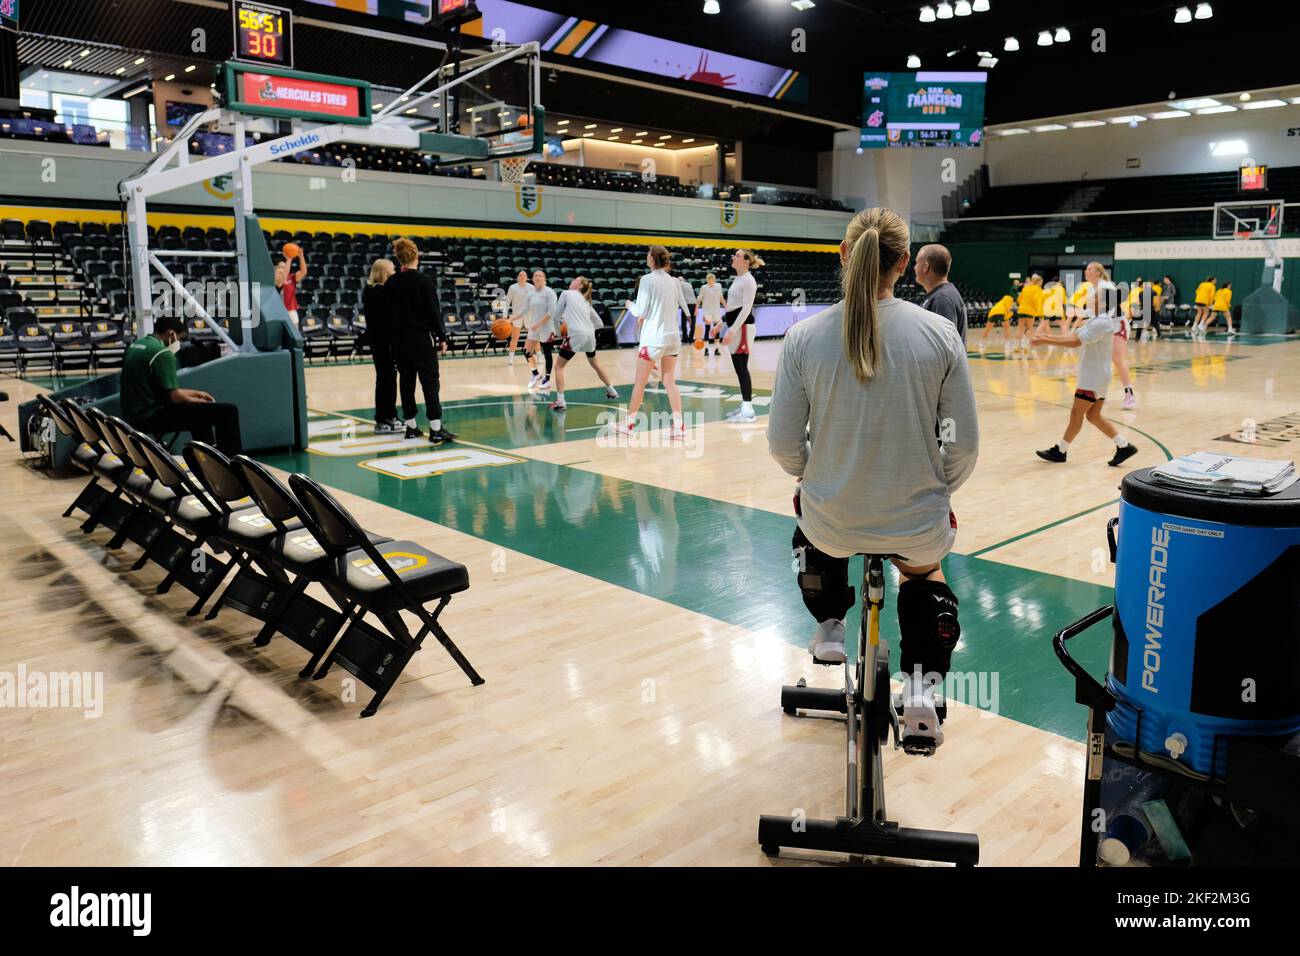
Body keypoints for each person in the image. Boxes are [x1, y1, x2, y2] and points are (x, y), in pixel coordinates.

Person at [768, 207, 978, 755]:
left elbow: (784, 445)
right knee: (925, 573)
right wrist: (938, 485)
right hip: (914, 522)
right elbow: (964, 444)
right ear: (905, 263)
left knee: (811, 529)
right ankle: (922, 693)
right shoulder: (938, 334)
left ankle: (831, 625)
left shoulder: (802, 336)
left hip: (833, 522)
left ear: (843, 253)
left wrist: (811, 473)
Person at [1032, 261, 1139, 467]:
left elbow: (1074, 342)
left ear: (1105, 302)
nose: (1092, 298)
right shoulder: (1096, 319)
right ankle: (1123, 446)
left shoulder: (1103, 322)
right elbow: (1074, 335)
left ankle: (1061, 450)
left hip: (1094, 376)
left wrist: (1045, 339)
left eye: (1096, 297)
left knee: (1077, 412)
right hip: (1096, 374)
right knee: (1093, 415)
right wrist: (1047, 335)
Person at [120, 314, 243, 454]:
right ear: (170, 333)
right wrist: (198, 401)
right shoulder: (162, 353)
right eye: (179, 338)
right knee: (228, 411)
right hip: (152, 416)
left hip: (134, 415)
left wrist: (196, 394)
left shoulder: (138, 345)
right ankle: (232, 459)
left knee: (200, 415)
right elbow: (174, 397)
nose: (178, 341)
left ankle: (208, 458)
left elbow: (165, 389)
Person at [386, 237, 455, 444]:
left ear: (398, 259)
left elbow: (387, 316)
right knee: (430, 381)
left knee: (406, 381)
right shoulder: (423, 281)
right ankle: (435, 429)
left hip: (398, 340)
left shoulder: (391, 282)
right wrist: (441, 336)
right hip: (419, 338)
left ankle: (411, 427)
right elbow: (433, 312)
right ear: (417, 255)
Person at [614, 245, 685, 440]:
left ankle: (628, 423)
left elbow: (640, 310)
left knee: (640, 381)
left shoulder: (646, 279)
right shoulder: (673, 281)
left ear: (652, 258)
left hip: (654, 339)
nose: (646, 257)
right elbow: (665, 307)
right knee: (670, 381)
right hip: (672, 337)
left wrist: (630, 305)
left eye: (648, 254)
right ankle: (679, 427)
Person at [549, 276, 619, 412]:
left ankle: (561, 401)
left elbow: (556, 317)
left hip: (576, 334)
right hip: (590, 335)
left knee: (558, 367)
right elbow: (600, 324)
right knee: (596, 364)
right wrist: (586, 329)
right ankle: (612, 391)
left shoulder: (566, 293)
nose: (572, 281)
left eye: (575, 280)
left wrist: (558, 334)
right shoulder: (586, 302)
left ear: (580, 286)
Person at [722, 248, 762, 423]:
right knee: (738, 369)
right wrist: (720, 325)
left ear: (746, 261)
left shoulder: (749, 281)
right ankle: (745, 405)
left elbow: (746, 309)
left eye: (737, 256)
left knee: (742, 367)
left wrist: (731, 331)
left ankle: (748, 411)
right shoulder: (738, 279)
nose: (733, 257)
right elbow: (732, 308)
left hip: (743, 329)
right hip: (735, 327)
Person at [363, 258, 401, 434]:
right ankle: (382, 418)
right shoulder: (375, 292)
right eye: (392, 270)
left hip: (384, 340)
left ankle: (390, 415)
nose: (395, 273)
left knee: (389, 378)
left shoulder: (376, 291)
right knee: (385, 379)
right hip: (382, 341)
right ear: (385, 273)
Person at [914, 243, 968, 341]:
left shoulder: (942, 298)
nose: (914, 267)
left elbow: (945, 344)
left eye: (917, 263)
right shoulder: (942, 294)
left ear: (925, 267)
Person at [524, 270, 558, 391]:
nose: (538, 277)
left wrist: (538, 323)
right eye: (536, 275)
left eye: (540, 275)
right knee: (526, 351)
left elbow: (551, 312)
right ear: (533, 279)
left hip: (547, 327)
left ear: (545, 279)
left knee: (547, 354)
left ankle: (547, 380)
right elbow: (525, 309)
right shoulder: (530, 293)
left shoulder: (550, 292)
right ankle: (535, 373)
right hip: (534, 327)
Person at [504, 270, 531, 367]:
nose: (522, 277)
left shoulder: (531, 287)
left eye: (524, 275)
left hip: (529, 315)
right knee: (515, 337)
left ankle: (540, 356)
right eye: (521, 275)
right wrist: (504, 315)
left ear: (527, 277)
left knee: (533, 337)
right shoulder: (512, 287)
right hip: (516, 315)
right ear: (517, 277)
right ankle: (511, 358)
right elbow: (507, 303)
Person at [274, 249, 307, 327]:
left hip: (291, 310)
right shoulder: (275, 281)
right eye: (280, 270)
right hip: (279, 311)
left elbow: (303, 272)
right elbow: (283, 276)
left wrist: (301, 257)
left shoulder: (291, 278)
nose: (283, 271)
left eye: (284, 267)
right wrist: (289, 259)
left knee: (295, 332)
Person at [695, 272, 725, 355]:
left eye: (711, 280)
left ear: (714, 280)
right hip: (707, 311)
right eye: (709, 281)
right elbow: (699, 299)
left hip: (716, 311)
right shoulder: (704, 287)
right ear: (707, 280)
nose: (710, 282)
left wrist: (726, 306)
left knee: (716, 330)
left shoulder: (718, 286)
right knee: (707, 329)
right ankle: (706, 349)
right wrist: (696, 309)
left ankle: (716, 349)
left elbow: (721, 297)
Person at [1016, 274, 1045, 346]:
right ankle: (1027, 346)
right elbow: (1037, 301)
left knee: (1020, 329)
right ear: (1038, 282)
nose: (1041, 284)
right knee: (1029, 328)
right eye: (1041, 282)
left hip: (1021, 310)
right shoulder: (1038, 289)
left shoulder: (1026, 288)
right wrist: (1040, 312)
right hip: (1030, 311)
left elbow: (1019, 300)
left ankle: (1017, 346)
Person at [676, 272, 697, 344]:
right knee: (693, 323)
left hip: (686, 305)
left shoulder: (679, 285)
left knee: (684, 323)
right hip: (694, 304)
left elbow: (679, 296)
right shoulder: (689, 284)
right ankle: (691, 339)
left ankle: (685, 339)